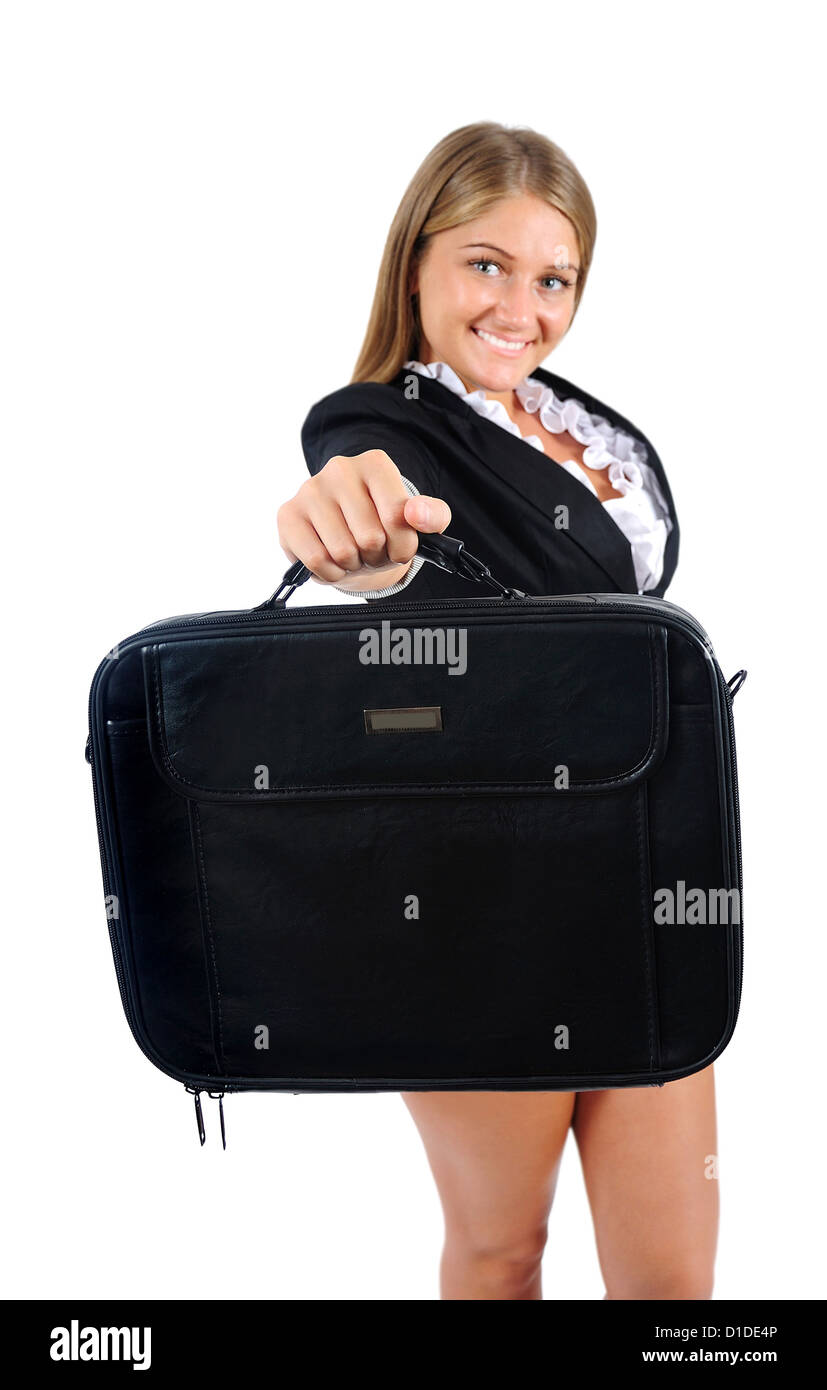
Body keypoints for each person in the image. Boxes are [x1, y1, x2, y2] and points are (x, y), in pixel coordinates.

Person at [277, 122, 717, 1302]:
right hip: (477, 898)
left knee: (673, 1284)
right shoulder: (379, 428)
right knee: (499, 1249)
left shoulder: (570, 425)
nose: (520, 306)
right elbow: (368, 517)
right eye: (484, 264)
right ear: (415, 260)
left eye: (551, 276)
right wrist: (350, 539)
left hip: (640, 872)